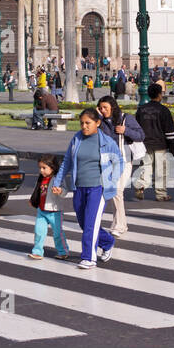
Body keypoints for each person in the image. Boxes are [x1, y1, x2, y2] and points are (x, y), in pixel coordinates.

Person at [50, 109, 123, 269]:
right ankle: (108, 241)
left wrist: (111, 180)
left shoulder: (106, 142)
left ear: (97, 123)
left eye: (88, 123)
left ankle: (89, 258)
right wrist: (57, 181)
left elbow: (119, 162)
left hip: (98, 188)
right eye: (81, 123)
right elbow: (67, 161)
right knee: (84, 223)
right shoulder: (77, 139)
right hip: (79, 187)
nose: (84, 126)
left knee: (90, 224)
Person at [95, 95, 143, 233]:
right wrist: (96, 116)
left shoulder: (126, 118)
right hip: (107, 161)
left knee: (117, 191)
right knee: (113, 192)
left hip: (124, 159)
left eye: (105, 107)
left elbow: (141, 135)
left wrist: (126, 131)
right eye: (100, 108)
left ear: (113, 107)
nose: (103, 110)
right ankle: (120, 224)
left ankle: (120, 226)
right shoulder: (100, 122)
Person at [133, 83, 174, 201]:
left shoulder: (141, 110)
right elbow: (169, 131)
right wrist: (172, 147)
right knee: (161, 170)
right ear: (159, 95)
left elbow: (136, 128)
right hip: (160, 144)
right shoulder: (163, 110)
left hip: (145, 144)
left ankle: (141, 185)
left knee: (146, 167)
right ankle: (161, 194)